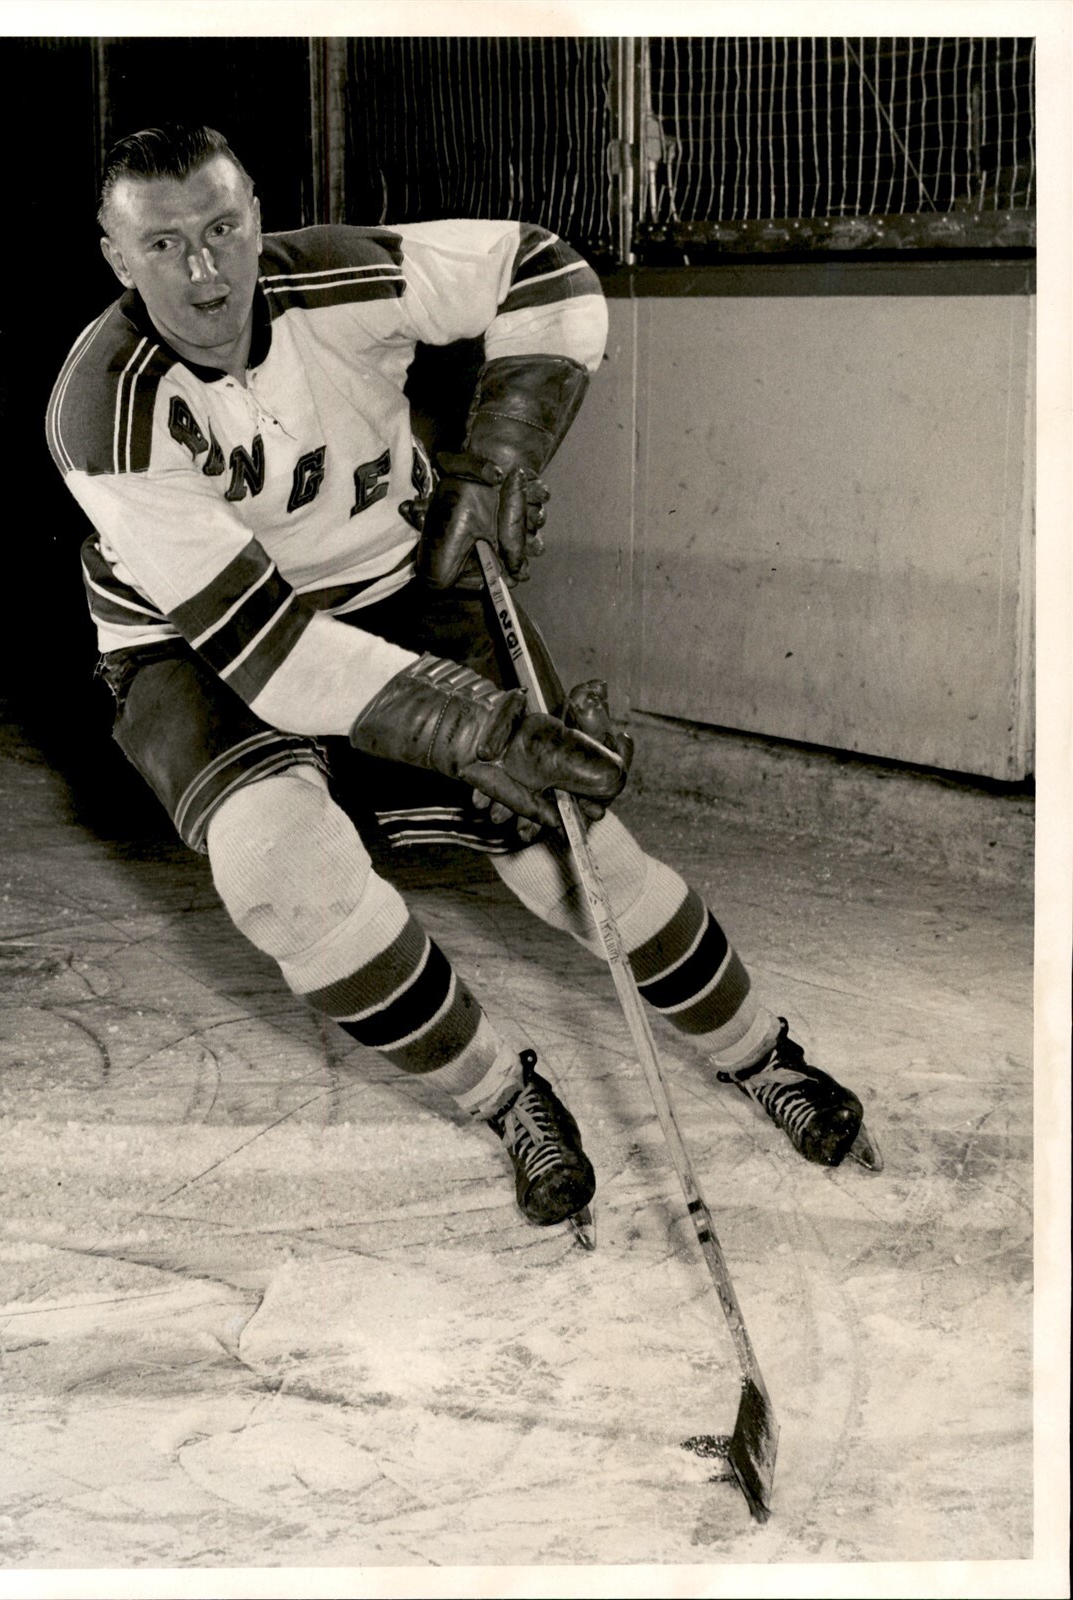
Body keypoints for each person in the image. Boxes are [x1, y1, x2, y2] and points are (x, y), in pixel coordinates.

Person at [46, 124, 879, 1240]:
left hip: (397, 578)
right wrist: (481, 723)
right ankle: (503, 1095)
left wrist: (503, 455)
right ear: (115, 256)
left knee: (572, 847)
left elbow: (546, 269)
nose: (204, 270)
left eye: (222, 229)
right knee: (280, 872)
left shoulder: (337, 278)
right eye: (164, 246)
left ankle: (758, 1054)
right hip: (201, 644)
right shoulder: (104, 413)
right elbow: (281, 659)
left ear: (256, 216)